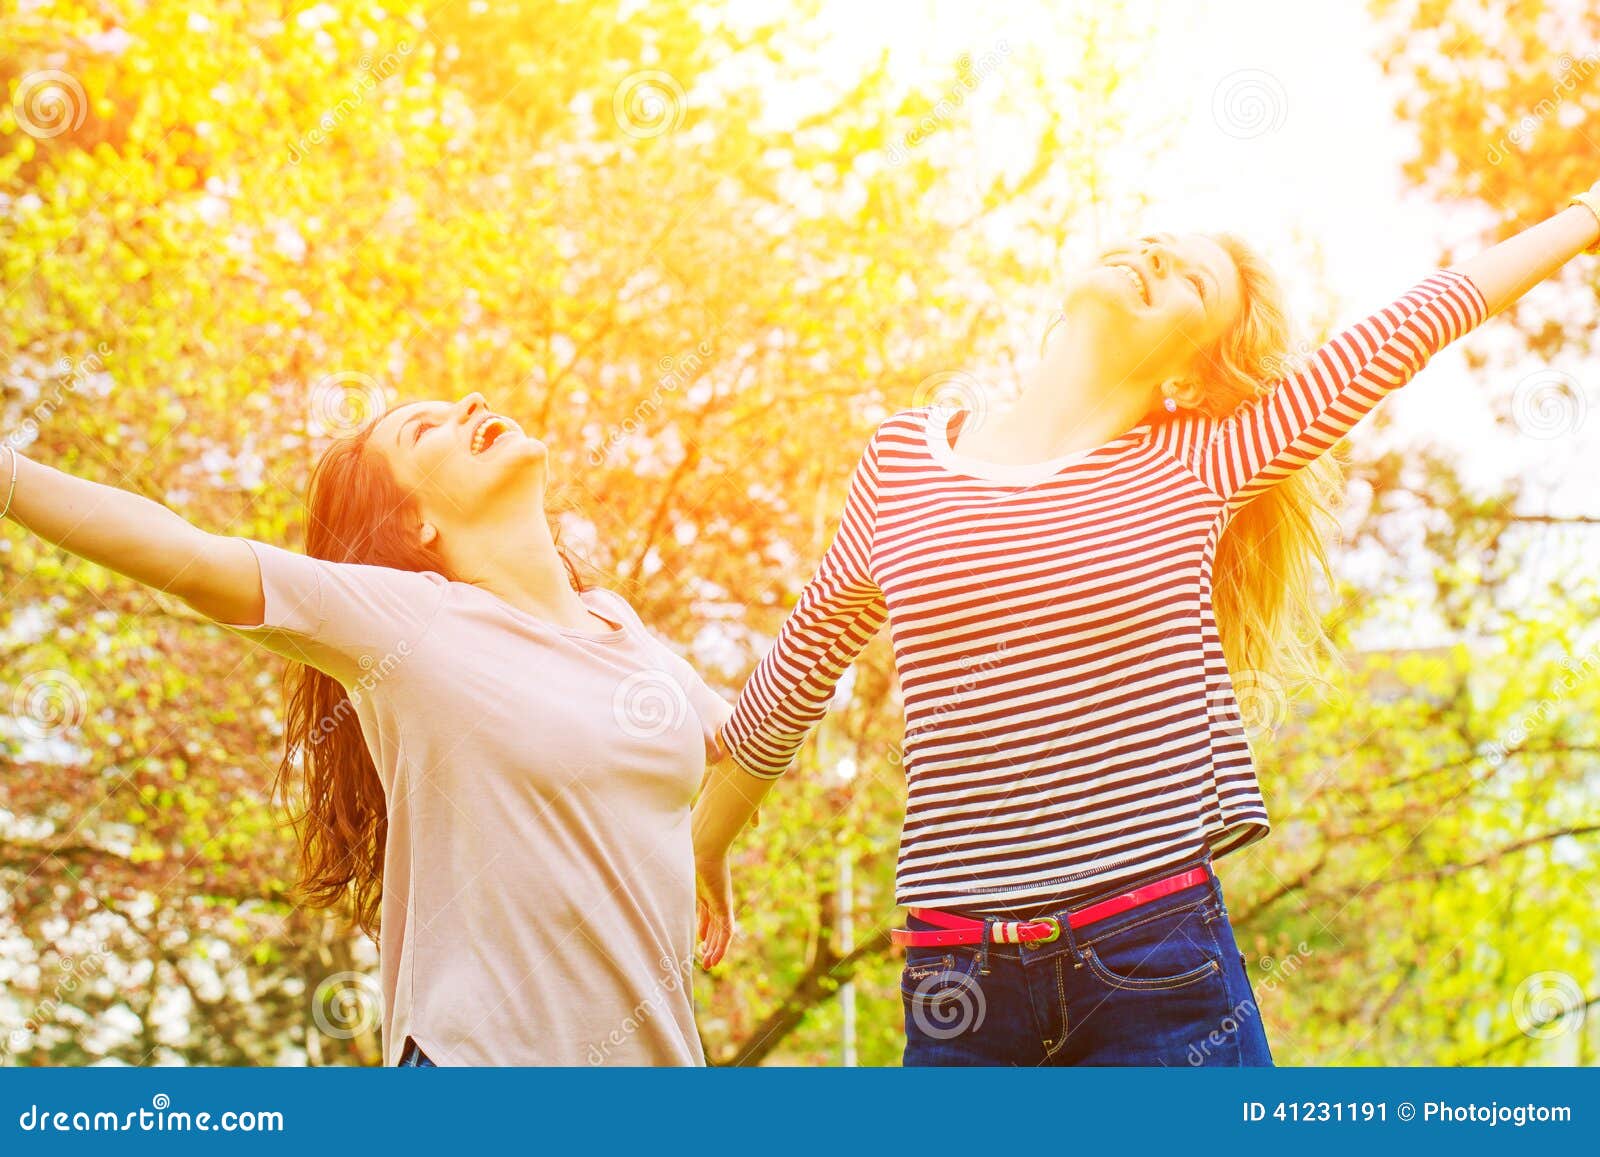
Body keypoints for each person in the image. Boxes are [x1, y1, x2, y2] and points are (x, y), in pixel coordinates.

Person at [690, 184, 1600, 1066]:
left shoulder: (1202, 456)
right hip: (959, 992)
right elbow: (798, 668)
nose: (1157, 255)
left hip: (1157, 969)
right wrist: (707, 838)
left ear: (1190, 377)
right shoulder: (903, 460)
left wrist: (1584, 215)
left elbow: (1419, 320)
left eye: (1192, 281)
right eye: (1155, 243)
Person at [1, 392, 733, 1066]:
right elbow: (188, 555)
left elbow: (751, 739)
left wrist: (714, 837)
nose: (471, 402)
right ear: (418, 522)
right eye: (426, 429)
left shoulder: (622, 628)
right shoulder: (410, 619)